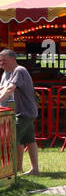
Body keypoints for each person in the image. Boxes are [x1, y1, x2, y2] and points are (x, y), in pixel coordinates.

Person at [0, 48, 39, 176]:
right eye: (0, 61)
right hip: (28, 112)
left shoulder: (19, 70)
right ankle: (34, 170)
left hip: (23, 113)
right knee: (30, 140)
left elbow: (10, 89)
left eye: (4, 60)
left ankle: (14, 171)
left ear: (13, 59)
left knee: (12, 140)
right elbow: (4, 88)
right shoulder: (11, 72)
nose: (1, 63)